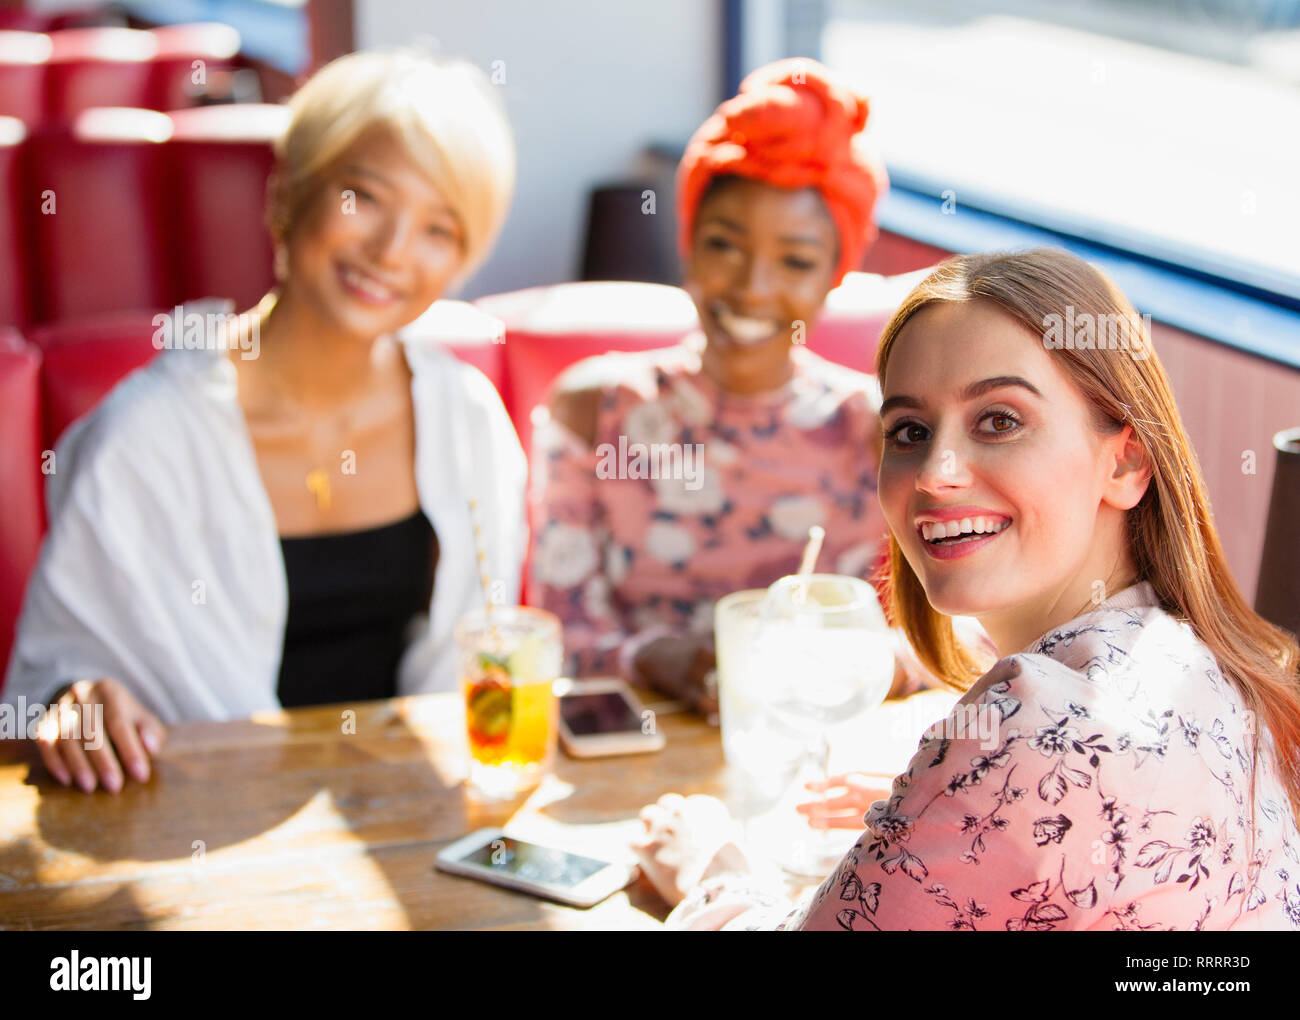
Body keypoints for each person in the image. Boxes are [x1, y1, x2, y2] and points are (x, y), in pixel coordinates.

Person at [633, 249, 1300, 930]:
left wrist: (711, 869)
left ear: (1125, 461)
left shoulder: (1035, 726)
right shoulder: (1201, 657)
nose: (935, 475)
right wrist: (936, 811)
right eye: (911, 432)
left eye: (999, 420)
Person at [2, 49, 525, 793]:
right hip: (201, 826)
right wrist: (76, 700)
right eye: (363, 199)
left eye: (439, 230)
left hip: (415, 826)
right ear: (287, 197)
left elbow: (487, 657)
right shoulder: (148, 435)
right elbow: (50, 679)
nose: (392, 252)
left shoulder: (467, 419)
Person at [530, 59, 975, 714]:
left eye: (794, 260)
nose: (752, 288)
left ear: (834, 275)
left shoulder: (882, 430)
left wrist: (857, 667)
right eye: (724, 245)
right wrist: (656, 658)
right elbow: (559, 637)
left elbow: (965, 632)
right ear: (688, 249)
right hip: (635, 760)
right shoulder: (593, 410)